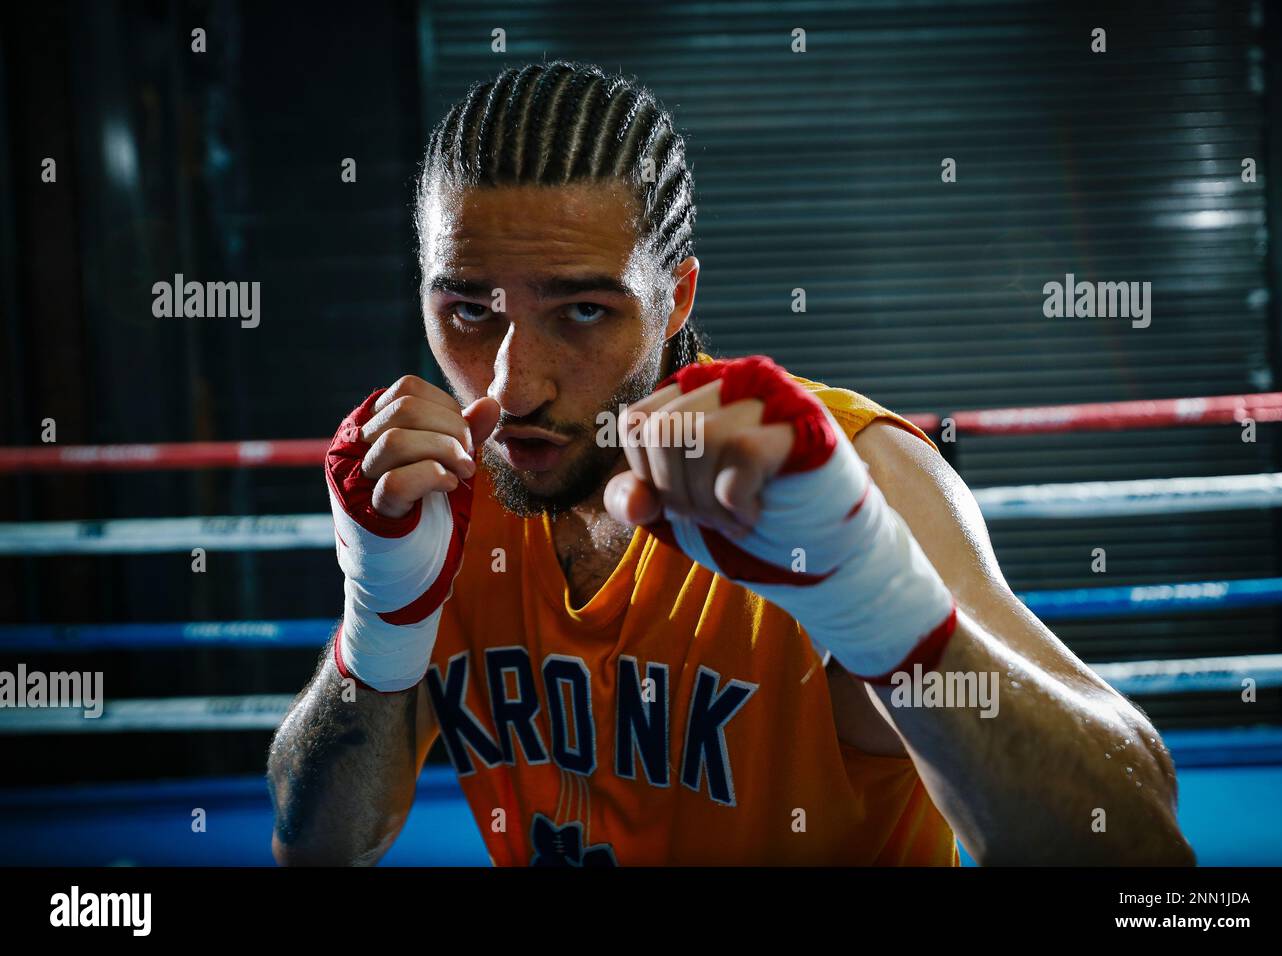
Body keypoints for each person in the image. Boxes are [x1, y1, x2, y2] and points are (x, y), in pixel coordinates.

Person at [267, 60, 1195, 866]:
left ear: (675, 301)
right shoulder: (452, 500)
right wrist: (381, 615)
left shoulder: (835, 475)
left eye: (583, 310)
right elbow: (319, 845)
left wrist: (875, 596)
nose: (513, 385)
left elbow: (1140, 843)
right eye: (469, 307)